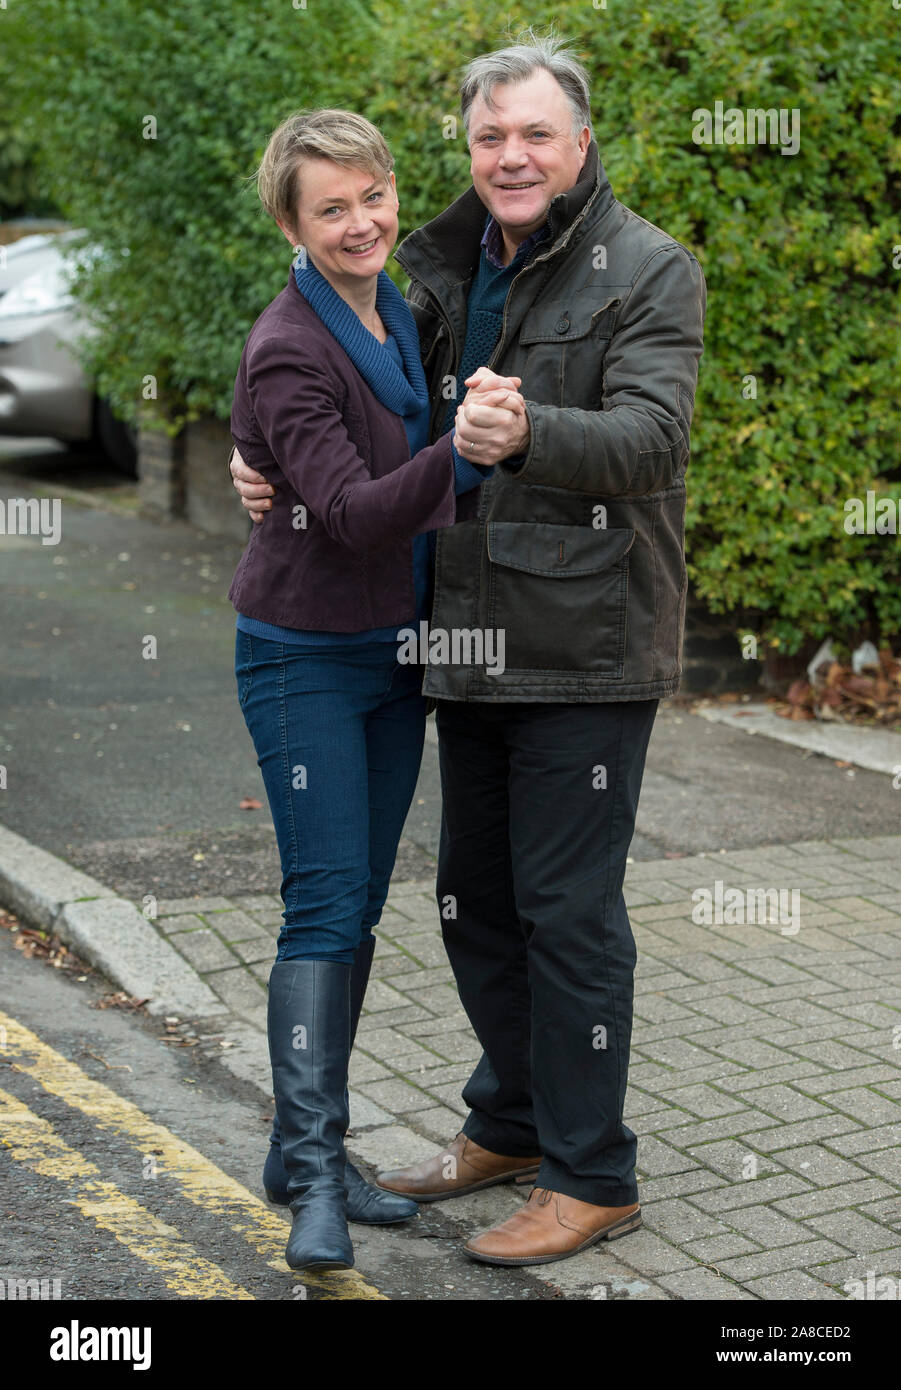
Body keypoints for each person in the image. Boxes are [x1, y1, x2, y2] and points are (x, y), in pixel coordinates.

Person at [231, 31, 707, 1268]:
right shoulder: (433, 259)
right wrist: (265, 462)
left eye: (535, 133)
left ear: (580, 141)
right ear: (468, 143)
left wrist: (526, 430)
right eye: (490, 134)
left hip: (586, 641)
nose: (511, 155)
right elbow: (342, 390)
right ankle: (508, 1123)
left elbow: (653, 440)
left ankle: (593, 1174)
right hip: (456, 636)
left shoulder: (650, 269)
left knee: (569, 911)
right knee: (474, 906)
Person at [228, 107, 525, 1271]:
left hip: (395, 655)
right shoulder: (290, 341)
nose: (362, 223)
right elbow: (351, 513)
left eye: (372, 197)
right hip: (303, 654)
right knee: (324, 903)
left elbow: (493, 209)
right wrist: (462, 450)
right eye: (331, 208)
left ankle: (305, 1150)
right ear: (293, 226)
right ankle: (311, 1171)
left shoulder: (394, 300)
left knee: (353, 910)